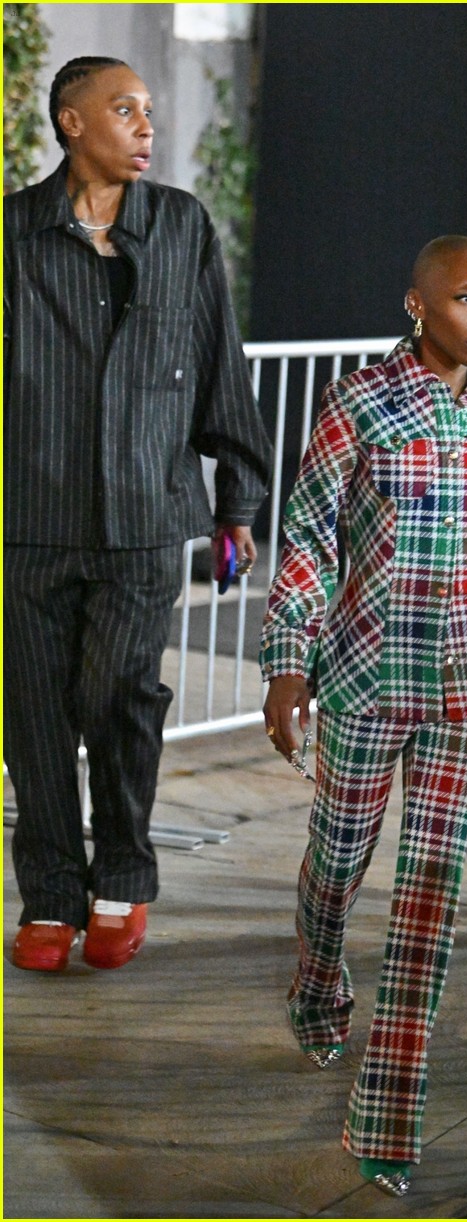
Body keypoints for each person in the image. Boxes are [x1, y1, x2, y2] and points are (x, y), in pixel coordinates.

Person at [260, 236, 467, 1196]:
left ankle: (385, 1121)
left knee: (426, 902)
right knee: (336, 866)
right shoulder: (358, 403)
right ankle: (317, 975)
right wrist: (288, 666)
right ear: (418, 306)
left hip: (462, 686)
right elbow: (307, 541)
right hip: (367, 678)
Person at [4, 57, 272, 973]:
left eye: (149, 111)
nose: (145, 126)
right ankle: (48, 893)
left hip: (148, 515)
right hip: (28, 515)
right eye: (125, 110)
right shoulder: (13, 232)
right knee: (34, 713)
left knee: (115, 694)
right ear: (73, 123)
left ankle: (120, 875)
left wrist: (238, 495)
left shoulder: (182, 225)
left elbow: (217, 362)